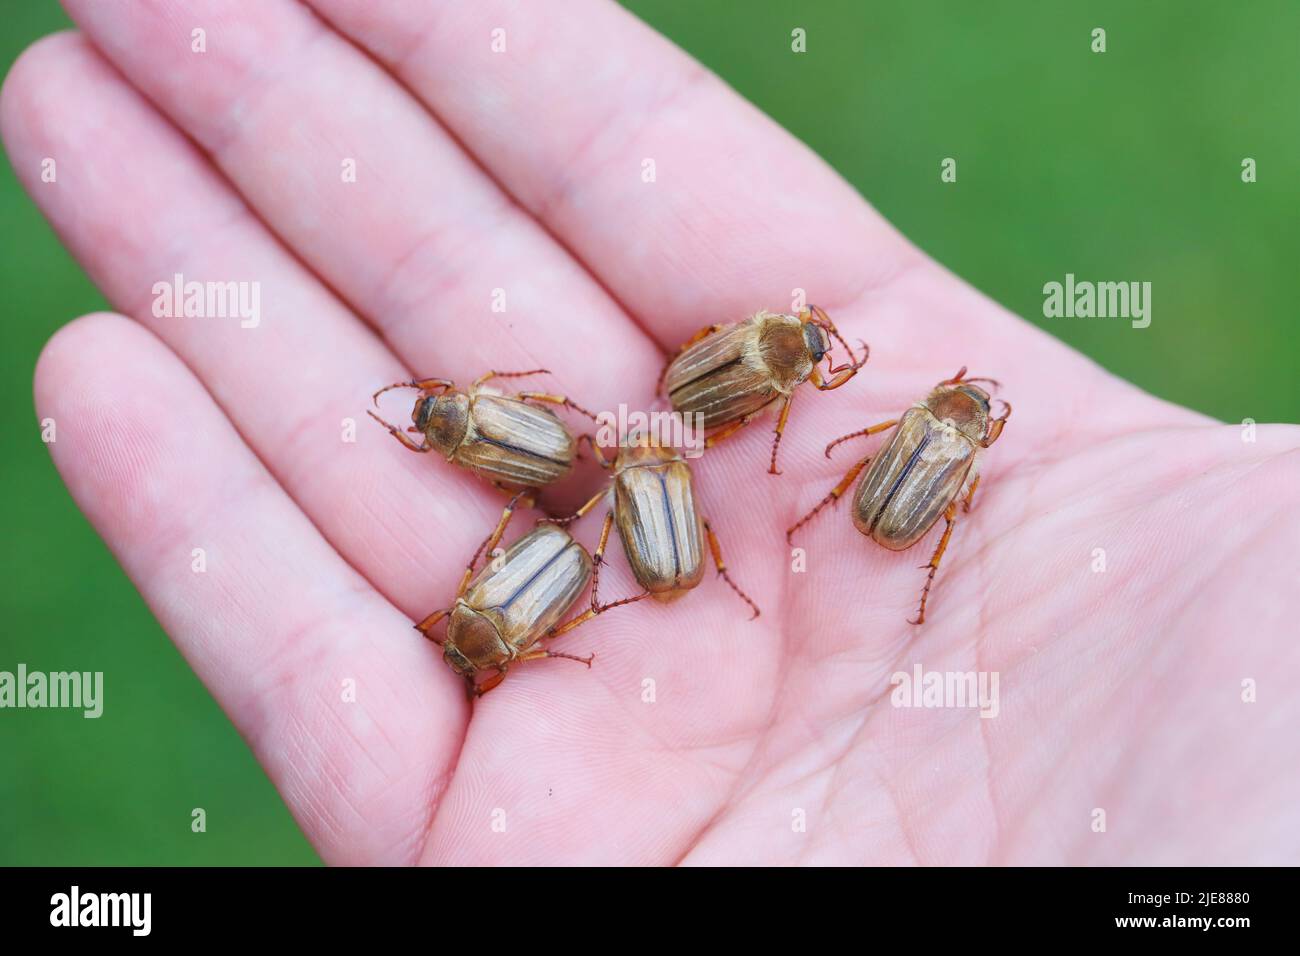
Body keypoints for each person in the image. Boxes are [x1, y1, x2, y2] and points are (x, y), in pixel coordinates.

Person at [3, 0, 1296, 865]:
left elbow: (727, 441)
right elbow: (686, 447)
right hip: (628, 499)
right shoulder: (728, 429)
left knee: (589, 516)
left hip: (646, 498)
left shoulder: (780, 423)